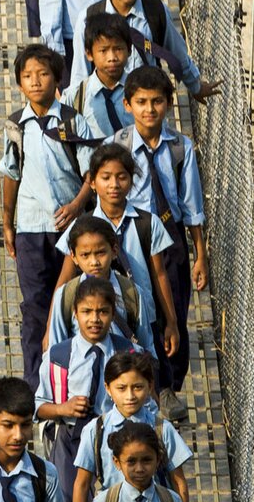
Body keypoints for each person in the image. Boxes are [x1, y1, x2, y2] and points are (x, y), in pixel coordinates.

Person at [0, 43, 99, 378]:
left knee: (71, 301)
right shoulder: (16, 126)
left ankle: (70, 376)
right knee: (35, 306)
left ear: (57, 79)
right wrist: (7, 222)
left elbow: (90, 175)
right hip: (30, 227)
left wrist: (76, 204)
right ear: (20, 84)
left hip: (69, 228)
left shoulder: (73, 122)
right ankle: (34, 382)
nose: (36, 81)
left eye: (43, 74)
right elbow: (11, 174)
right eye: (28, 76)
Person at [105, 65, 206, 390]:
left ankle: (171, 385)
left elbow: (191, 207)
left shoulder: (180, 147)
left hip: (170, 236)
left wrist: (200, 256)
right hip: (131, 235)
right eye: (142, 101)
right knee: (136, 308)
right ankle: (140, 383)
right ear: (127, 104)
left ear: (168, 104)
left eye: (157, 101)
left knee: (173, 308)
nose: (149, 109)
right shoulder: (116, 147)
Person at [53, 147, 182, 372]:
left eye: (122, 177)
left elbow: (159, 273)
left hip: (139, 316)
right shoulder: (81, 227)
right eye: (106, 178)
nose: (114, 185)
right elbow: (66, 276)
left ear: (131, 181)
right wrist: (49, 328)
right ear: (92, 182)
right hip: (93, 316)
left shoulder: (148, 223)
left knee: (145, 372)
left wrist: (171, 322)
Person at [72, 356, 192, 502]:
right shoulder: (96, 430)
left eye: (137, 387)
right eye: (121, 388)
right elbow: (82, 484)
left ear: (150, 386)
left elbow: (179, 482)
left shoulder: (162, 429)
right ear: (108, 389)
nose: (130, 396)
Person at [35, 276, 142, 487]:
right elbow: (38, 407)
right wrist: (63, 409)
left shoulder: (130, 354)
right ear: (75, 313)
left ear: (113, 314)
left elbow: (148, 402)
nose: (95, 319)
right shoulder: (58, 356)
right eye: (87, 312)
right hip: (71, 441)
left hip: (117, 440)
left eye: (103, 312)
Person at [81, 0, 203, 103]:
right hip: (106, 109)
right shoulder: (90, 17)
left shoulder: (155, 11)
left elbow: (178, 53)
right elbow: (80, 74)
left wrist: (195, 86)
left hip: (147, 107)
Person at [45, 214, 145, 351]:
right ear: (73, 256)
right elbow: (54, 351)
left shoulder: (132, 293)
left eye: (101, 253)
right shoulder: (65, 295)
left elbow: (146, 346)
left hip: (122, 369)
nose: (94, 262)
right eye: (85, 255)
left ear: (114, 251)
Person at [64, 11, 139, 137]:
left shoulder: (140, 91)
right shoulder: (76, 96)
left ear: (129, 50)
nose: (112, 57)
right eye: (103, 50)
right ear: (89, 54)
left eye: (118, 49)